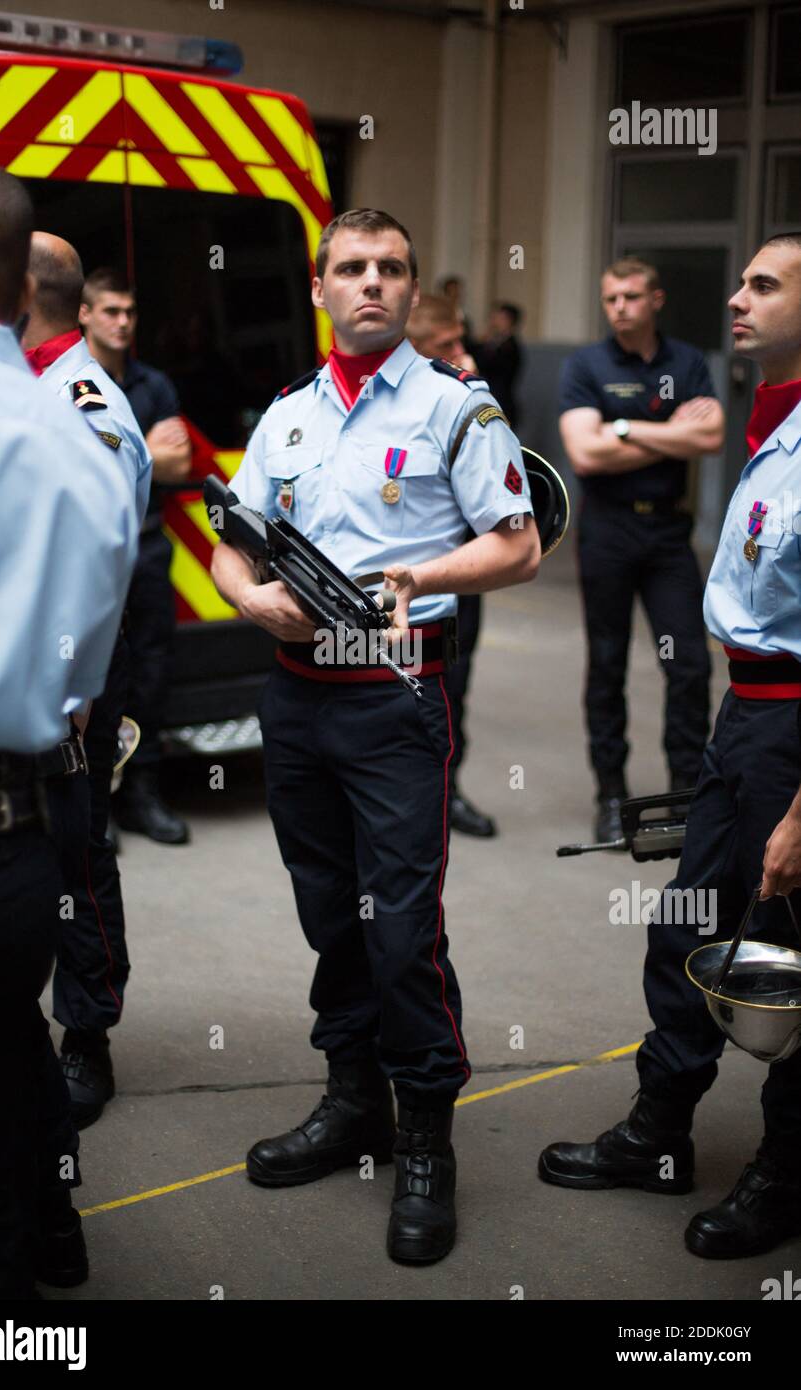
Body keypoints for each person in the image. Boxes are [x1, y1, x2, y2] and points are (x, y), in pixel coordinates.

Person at [210, 208, 540, 1265]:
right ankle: (354, 1102)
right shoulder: (286, 414)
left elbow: (519, 545)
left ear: (409, 289)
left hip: (394, 696)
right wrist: (250, 600)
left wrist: (419, 574)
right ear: (318, 289)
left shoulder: (456, 407)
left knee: (401, 930)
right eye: (350, 268)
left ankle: (427, 1138)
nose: (371, 283)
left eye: (390, 268)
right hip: (296, 699)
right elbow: (230, 541)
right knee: (330, 917)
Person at [539, 234, 801, 1260]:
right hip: (744, 721)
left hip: (790, 733)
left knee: (783, 954)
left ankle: (784, 1173)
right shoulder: (767, 416)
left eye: (763, 285)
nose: (735, 297)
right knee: (684, 924)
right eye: (740, 281)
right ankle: (659, 1132)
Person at [0, 159, 137, 1298]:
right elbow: (80, 680)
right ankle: (35, 1251)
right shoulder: (81, 441)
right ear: (25, 289)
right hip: (6, 849)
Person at [22, 234, 152, 1130]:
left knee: (76, 850)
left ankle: (87, 1032)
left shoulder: (83, 400)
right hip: (6, 668)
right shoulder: (8, 383)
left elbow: (104, 558)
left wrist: (75, 691)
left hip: (66, 675)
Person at [558, 258, 725, 842]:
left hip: (668, 533)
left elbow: (712, 435)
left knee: (690, 665)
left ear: (655, 300)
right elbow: (585, 454)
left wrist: (624, 429)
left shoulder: (687, 362)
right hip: (607, 529)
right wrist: (672, 435)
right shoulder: (587, 364)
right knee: (607, 663)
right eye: (610, 299)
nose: (620, 308)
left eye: (631, 297)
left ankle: (686, 795)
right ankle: (611, 795)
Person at [80, 268, 192, 846]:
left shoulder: (154, 385)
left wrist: (121, 457)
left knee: (151, 669)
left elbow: (180, 463)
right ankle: (96, 798)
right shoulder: (73, 383)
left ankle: (143, 793)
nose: (122, 322)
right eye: (110, 311)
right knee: (93, 672)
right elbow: (82, 474)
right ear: (84, 314)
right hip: (92, 549)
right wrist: (147, 455)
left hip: (148, 543)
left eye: (129, 312)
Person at [407, 294, 497, 837]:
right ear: (415, 349)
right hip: (393, 581)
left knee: (453, 686)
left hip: (461, 571)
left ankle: (447, 789)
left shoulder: (468, 397)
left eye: (462, 340)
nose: (465, 353)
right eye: (449, 345)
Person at [472, 302, 524, 430]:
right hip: (490, 399)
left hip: (501, 401)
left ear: (509, 321)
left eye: (499, 318)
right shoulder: (494, 343)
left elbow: (490, 367)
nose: (494, 322)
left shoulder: (510, 347)